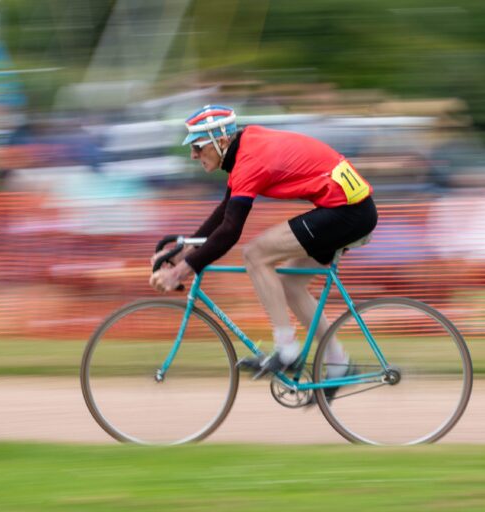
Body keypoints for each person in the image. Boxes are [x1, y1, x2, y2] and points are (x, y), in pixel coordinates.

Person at [149, 105, 377, 382]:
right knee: (291, 285)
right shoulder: (245, 147)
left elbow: (230, 231)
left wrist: (180, 271)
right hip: (348, 210)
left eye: (198, 146)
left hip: (347, 212)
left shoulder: (250, 160)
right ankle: (337, 362)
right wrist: (184, 251)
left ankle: (286, 349)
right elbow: (224, 212)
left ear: (221, 141)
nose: (193, 154)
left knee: (255, 255)